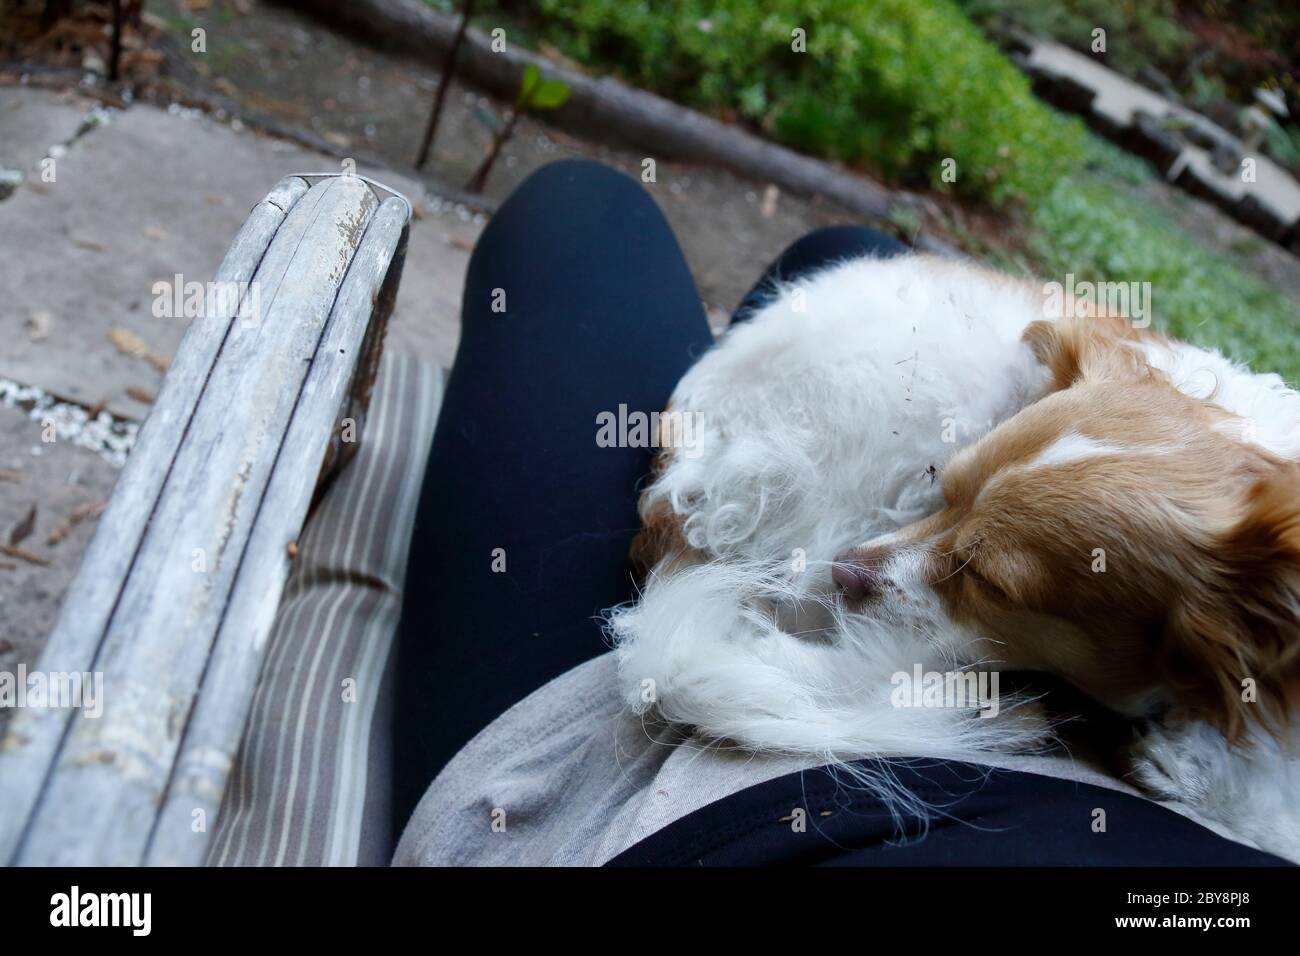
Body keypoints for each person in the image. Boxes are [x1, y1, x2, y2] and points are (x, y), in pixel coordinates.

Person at [389, 159, 1285, 866]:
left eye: (983, 576)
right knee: (843, 246)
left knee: (580, 211)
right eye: (945, 491)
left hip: (610, 806)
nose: (868, 561)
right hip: (766, 616)